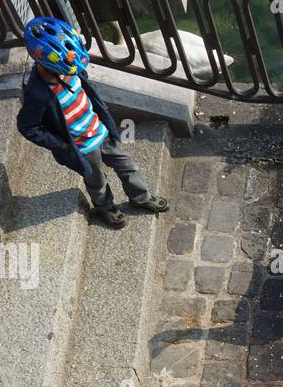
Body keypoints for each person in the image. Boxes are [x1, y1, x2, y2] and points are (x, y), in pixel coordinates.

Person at [15, 16, 169, 229]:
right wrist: (60, 144)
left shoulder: (70, 69)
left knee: (128, 166)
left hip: (100, 131)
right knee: (97, 181)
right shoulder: (38, 93)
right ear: (46, 63)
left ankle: (141, 197)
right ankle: (105, 208)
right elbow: (27, 126)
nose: (73, 70)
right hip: (83, 147)